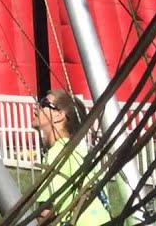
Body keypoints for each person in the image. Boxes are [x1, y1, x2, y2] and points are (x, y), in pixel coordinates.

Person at [32, 89, 110, 226]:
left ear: (59, 116)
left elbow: (45, 213)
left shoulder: (57, 153)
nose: (36, 108)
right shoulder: (80, 151)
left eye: (44, 103)